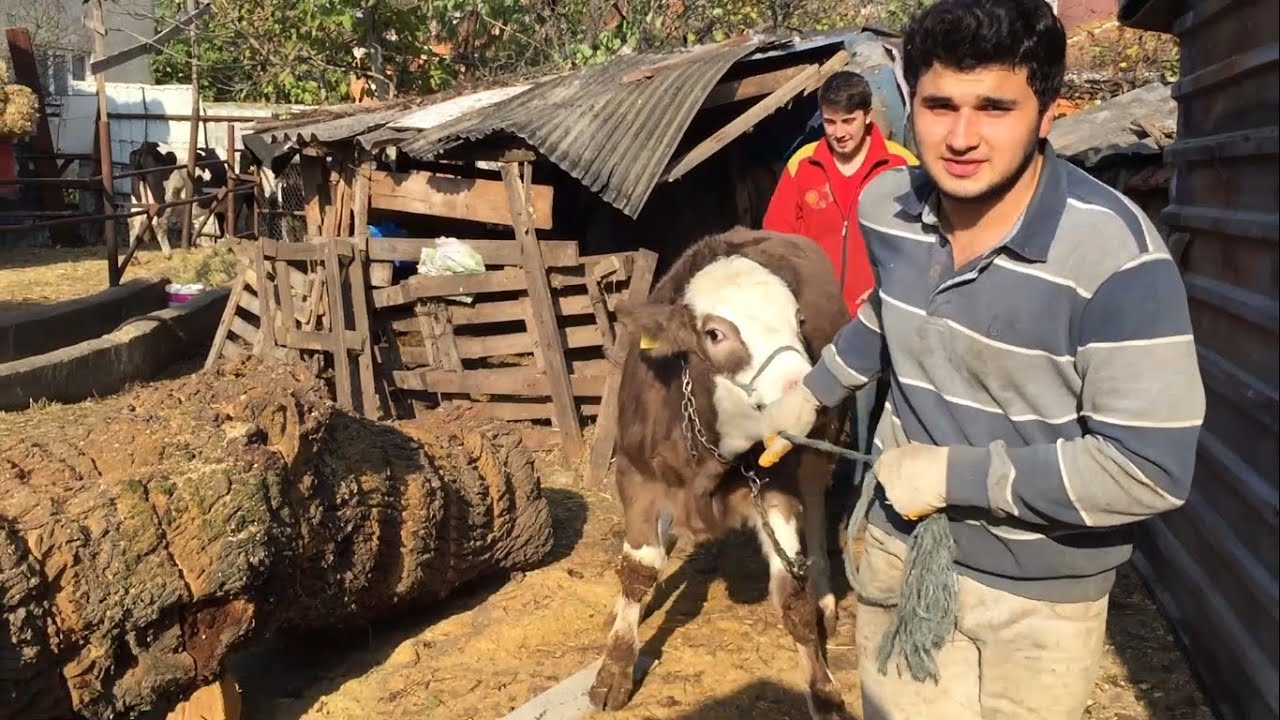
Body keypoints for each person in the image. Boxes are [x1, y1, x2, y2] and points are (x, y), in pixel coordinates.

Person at [760, 1, 1206, 719]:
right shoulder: (887, 208)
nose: (961, 137)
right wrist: (813, 393)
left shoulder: (1117, 259)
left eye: (995, 106)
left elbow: (1147, 470)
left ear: (1048, 113)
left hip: (1039, 596)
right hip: (899, 555)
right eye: (940, 105)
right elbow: (886, 314)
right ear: (910, 103)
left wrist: (951, 476)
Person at [762, 70, 917, 316]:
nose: (839, 134)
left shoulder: (901, 167)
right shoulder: (803, 165)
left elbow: (922, 247)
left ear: (867, 116)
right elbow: (774, 239)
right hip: (816, 316)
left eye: (848, 121)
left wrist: (891, 289)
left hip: (880, 315)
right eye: (830, 123)